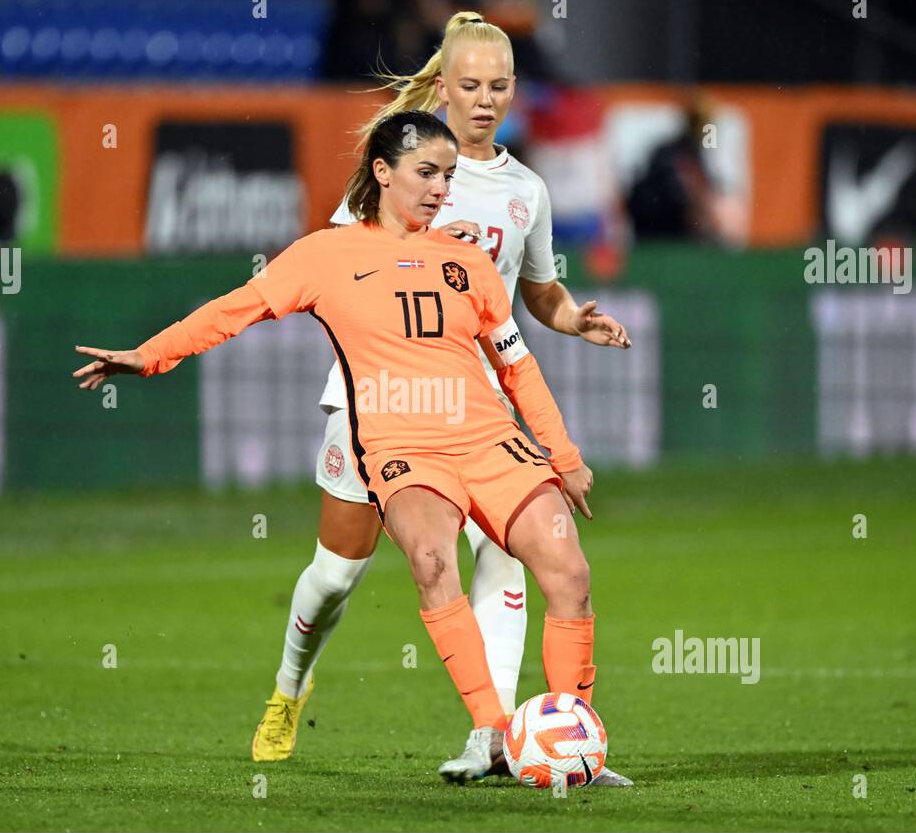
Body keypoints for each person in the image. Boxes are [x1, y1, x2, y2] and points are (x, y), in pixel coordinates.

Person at [71, 109, 630, 785]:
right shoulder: (324, 256)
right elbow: (231, 311)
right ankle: (487, 728)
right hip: (400, 445)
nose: (439, 189)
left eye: (449, 176)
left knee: (568, 571)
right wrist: (148, 357)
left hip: (489, 437)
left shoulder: (466, 259)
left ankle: (573, 745)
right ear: (382, 171)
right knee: (422, 559)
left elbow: (516, 366)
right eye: (426, 173)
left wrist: (564, 458)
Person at [253, 10, 630, 778]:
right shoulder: (402, 167)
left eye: (498, 86)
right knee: (335, 575)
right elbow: (338, 267)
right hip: (380, 405)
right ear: (444, 87)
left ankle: (499, 738)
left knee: (507, 558)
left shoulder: (525, 189)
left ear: (515, 90)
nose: (485, 99)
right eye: (469, 85)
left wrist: (573, 318)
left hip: (480, 413)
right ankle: (289, 688)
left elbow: (540, 295)